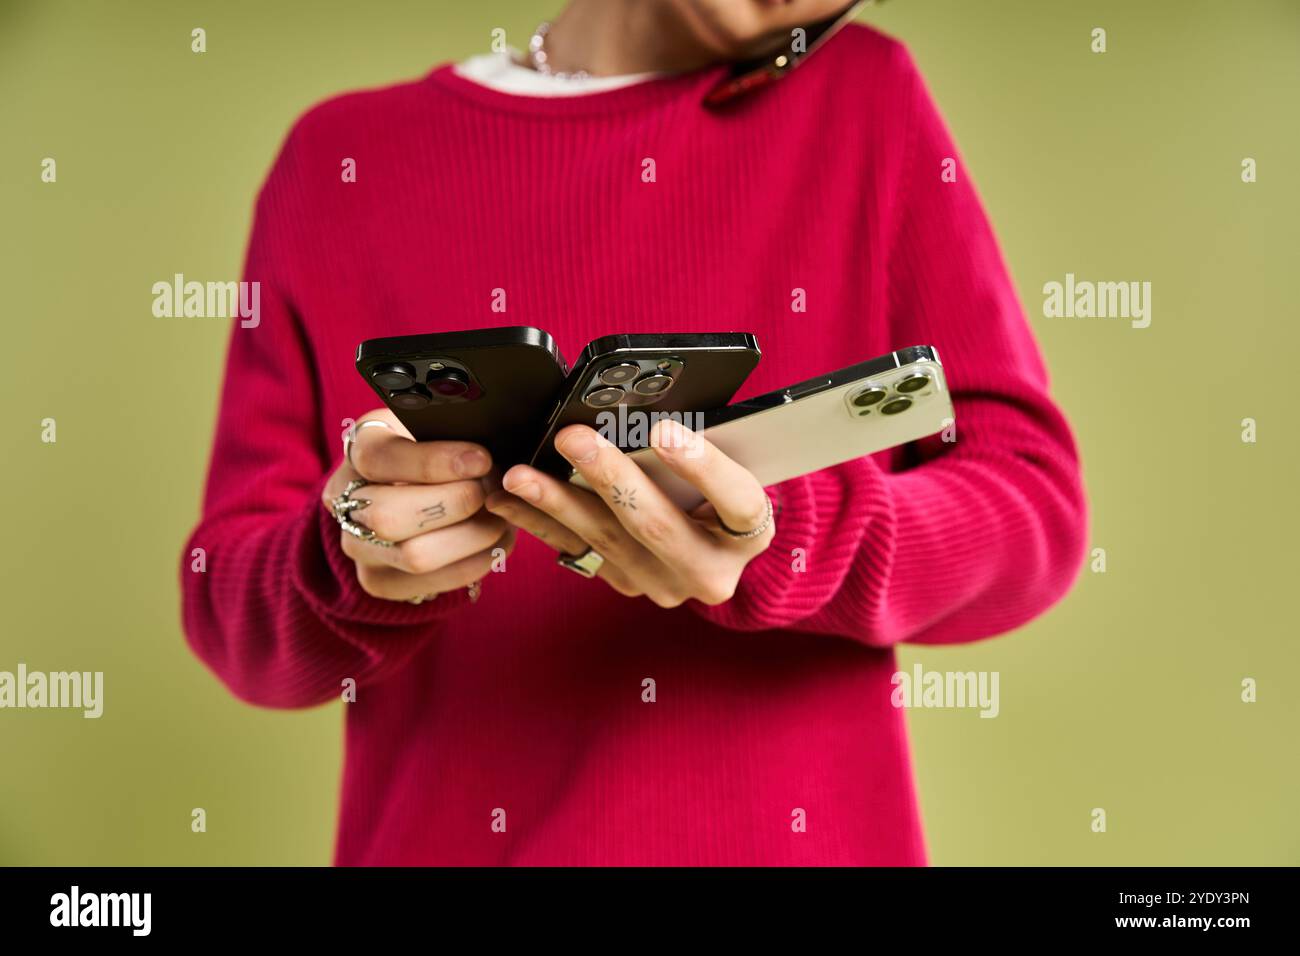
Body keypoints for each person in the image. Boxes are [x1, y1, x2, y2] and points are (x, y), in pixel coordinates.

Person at [181, 0, 1087, 865]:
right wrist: (349, 558)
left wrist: (787, 539)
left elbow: (1034, 515)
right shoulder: (340, 160)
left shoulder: (861, 97)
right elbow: (225, 605)